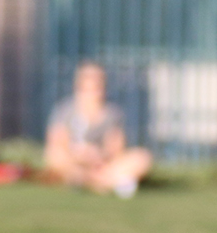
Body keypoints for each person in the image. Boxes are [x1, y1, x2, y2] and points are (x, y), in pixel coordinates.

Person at [44, 61, 151, 198]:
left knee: (142, 158)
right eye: (88, 78)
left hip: (102, 165)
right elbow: (57, 144)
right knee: (55, 156)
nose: (93, 83)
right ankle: (104, 182)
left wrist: (98, 155)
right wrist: (80, 154)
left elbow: (116, 150)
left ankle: (92, 181)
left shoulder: (113, 113)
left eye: (97, 79)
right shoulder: (64, 110)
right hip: (74, 162)